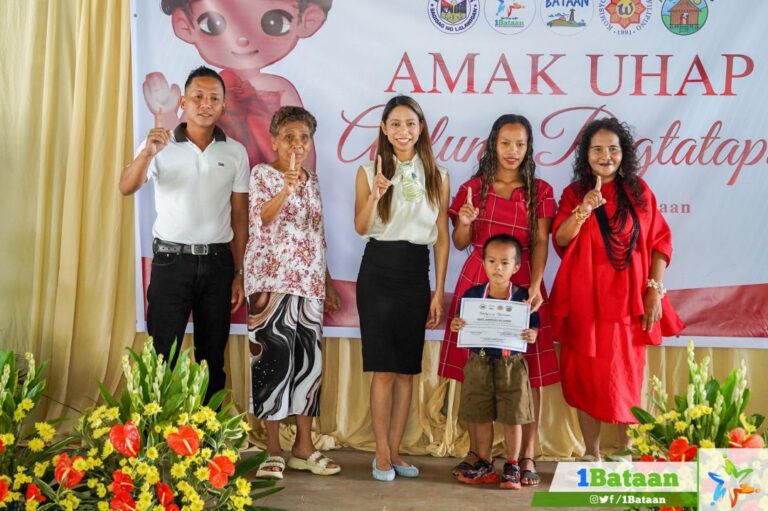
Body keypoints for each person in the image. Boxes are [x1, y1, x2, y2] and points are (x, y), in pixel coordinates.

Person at [549, 117, 685, 460]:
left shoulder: (639, 192)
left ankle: (624, 451)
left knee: (624, 377)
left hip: (627, 303)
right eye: (597, 149)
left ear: (623, 154)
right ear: (586, 155)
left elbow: (660, 242)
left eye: (613, 148)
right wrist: (583, 210)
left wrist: (655, 289)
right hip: (584, 299)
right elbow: (560, 238)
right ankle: (591, 453)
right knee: (584, 377)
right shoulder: (574, 193)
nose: (605, 155)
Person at [438, 114, 558, 485]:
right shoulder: (475, 187)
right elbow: (459, 243)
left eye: (520, 144)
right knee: (477, 370)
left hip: (523, 285)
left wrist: (536, 284)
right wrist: (464, 222)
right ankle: (479, 455)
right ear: (493, 144)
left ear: (528, 148)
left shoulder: (541, 189)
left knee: (526, 376)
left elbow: (539, 242)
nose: (512, 151)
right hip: (478, 283)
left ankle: (525, 458)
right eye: (505, 143)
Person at [119, 66, 248, 403]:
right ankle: (151, 440)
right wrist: (148, 153)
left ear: (222, 106)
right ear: (184, 103)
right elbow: (126, 187)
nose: (205, 104)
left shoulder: (235, 152)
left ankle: (209, 442)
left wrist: (239, 272)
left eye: (213, 98)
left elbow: (240, 215)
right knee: (161, 354)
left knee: (212, 357)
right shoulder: (158, 144)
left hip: (218, 264)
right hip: (170, 261)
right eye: (198, 97)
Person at [354, 95, 450, 481]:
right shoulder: (367, 170)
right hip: (377, 269)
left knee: (407, 370)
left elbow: (441, 236)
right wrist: (376, 195)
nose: (403, 131)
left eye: (410, 123)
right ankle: (380, 452)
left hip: (415, 271)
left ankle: (396, 450)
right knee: (383, 370)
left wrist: (438, 291)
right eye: (395, 123)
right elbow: (360, 228)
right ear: (383, 128)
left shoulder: (438, 175)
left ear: (421, 127)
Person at [244, 106, 341, 479]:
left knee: (307, 367)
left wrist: (328, 280)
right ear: (274, 141)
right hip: (270, 283)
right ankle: (273, 449)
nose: (297, 144)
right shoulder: (263, 174)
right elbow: (263, 218)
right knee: (272, 363)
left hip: (309, 285)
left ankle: (304, 446)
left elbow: (317, 234)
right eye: (289, 137)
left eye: (303, 137)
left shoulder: (313, 180)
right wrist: (286, 188)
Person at [146, 0, 332, 168]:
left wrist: (301, 183)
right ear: (185, 26)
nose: (242, 38)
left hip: (272, 188)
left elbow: (302, 145)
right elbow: (179, 147)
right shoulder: (210, 90)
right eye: (213, 24)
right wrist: (167, 114)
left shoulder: (280, 89)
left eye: (275, 23)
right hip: (219, 188)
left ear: (308, 21)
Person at [450, 234, 538, 490]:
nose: (497, 267)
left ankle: (512, 464)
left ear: (516, 267)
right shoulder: (473, 294)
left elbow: (533, 328)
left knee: (513, 417)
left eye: (504, 262)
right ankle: (484, 461)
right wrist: (457, 324)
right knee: (480, 415)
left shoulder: (523, 298)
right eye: (491, 261)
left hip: (511, 366)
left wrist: (532, 334)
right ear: (483, 262)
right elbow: (461, 321)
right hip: (479, 363)